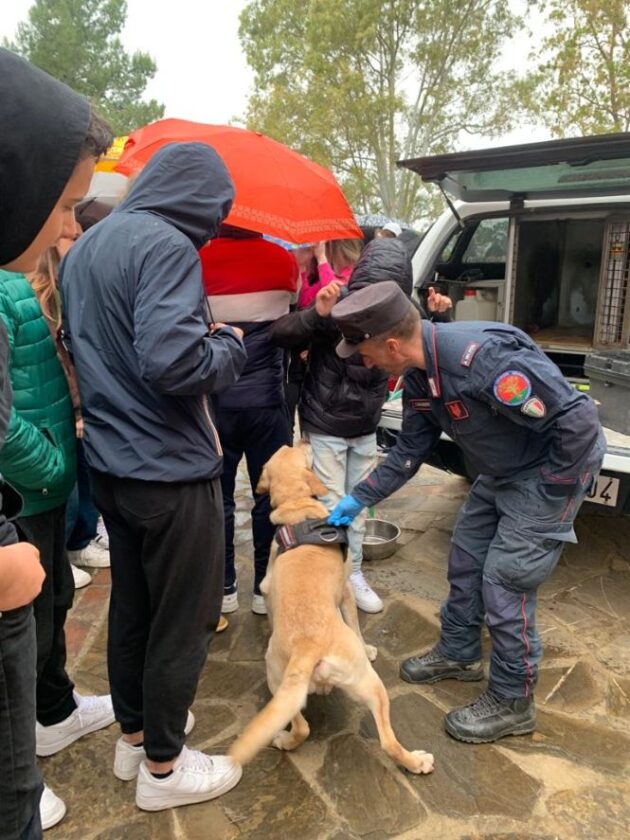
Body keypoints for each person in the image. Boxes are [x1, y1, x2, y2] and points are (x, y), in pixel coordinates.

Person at [327, 281, 605, 743]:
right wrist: (360, 497)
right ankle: (459, 652)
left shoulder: (483, 360)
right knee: (466, 557)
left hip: (544, 471)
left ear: (391, 344)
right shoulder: (419, 374)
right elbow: (408, 452)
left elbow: (577, 421)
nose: (364, 362)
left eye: (365, 352)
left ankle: (513, 700)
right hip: (500, 470)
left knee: (505, 579)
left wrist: (553, 494)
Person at [60, 142, 248, 812]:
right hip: (170, 471)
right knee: (186, 620)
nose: (213, 229)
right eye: (216, 215)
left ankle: (136, 735)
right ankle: (163, 770)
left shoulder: (88, 244)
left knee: (134, 609)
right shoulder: (166, 246)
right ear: (199, 199)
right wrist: (227, 343)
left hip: (112, 465)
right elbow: (175, 363)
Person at [0, 47, 114, 837]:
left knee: (56, 603)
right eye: (65, 200)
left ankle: (55, 707)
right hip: (33, 485)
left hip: (41, 491)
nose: (69, 224)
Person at [271, 239, 450, 613]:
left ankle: (351, 576)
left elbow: (427, 354)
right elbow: (281, 335)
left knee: (356, 504)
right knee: (331, 506)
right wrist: (317, 314)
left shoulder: (406, 313)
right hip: (325, 424)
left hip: (366, 425)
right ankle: (332, 581)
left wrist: (440, 319)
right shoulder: (337, 303)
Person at [200, 227, 298, 616]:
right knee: (269, 496)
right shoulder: (284, 261)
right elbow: (289, 314)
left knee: (218, 497)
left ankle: (224, 586)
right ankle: (263, 587)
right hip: (268, 402)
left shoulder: (199, 261)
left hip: (216, 400)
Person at [297, 238, 361, 309]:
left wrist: (321, 258)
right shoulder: (322, 273)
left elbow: (335, 296)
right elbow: (304, 302)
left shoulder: (355, 270)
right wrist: (302, 265)